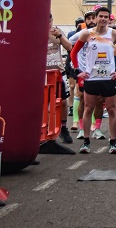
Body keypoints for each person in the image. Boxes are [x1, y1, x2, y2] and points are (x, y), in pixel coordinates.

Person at [70, 6, 116, 154]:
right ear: (95, 18)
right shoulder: (87, 34)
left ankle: (113, 142)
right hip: (92, 77)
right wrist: (78, 71)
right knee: (88, 108)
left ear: (109, 19)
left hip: (109, 77)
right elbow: (74, 52)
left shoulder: (113, 33)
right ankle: (86, 142)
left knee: (112, 110)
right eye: (100, 16)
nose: (103, 19)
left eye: (106, 17)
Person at [48, 14, 74, 144]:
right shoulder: (35, 30)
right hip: (43, 72)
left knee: (63, 101)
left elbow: (69, 47)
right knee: (44, 104)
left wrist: (59, 35)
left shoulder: (57, 30)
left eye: (50, 20)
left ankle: (63, 128)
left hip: (58, 71)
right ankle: (45, 130)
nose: (48, 23)